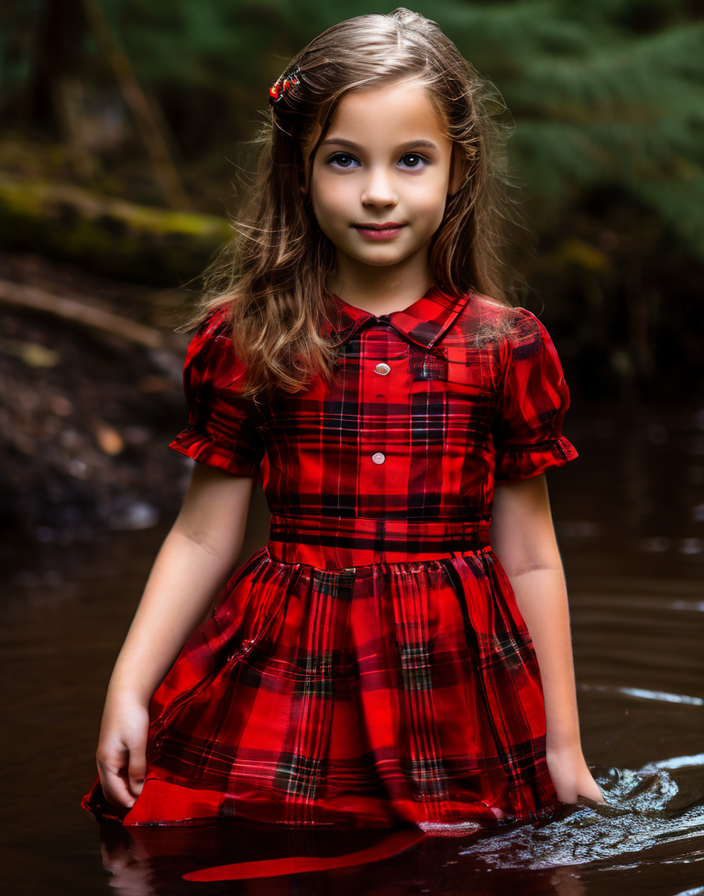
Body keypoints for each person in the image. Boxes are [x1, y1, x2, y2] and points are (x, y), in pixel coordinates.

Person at [82, 8, 605, 836]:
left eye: (411, 160)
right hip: (292, 671)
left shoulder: (506, 347)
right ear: (298, 171)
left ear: (457, 170)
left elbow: (533, 559)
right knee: (236, 844)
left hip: (452, 684)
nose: (377, 191)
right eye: (343, 160)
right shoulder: (251, 337)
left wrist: (563, 746)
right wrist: (128, 685)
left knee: (450, 860)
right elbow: (200, 536)